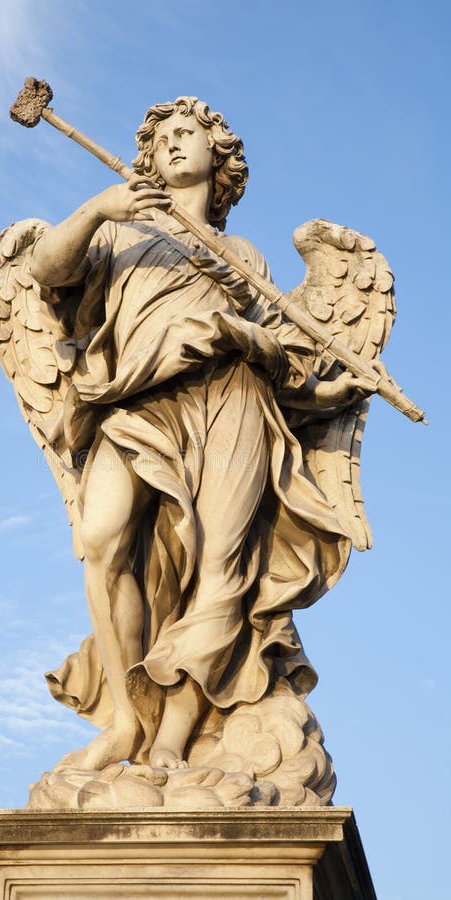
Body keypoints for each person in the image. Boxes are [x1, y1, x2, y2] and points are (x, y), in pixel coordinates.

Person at [29, 97, 367, 772]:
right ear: (148, 158)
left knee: (220, 571)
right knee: (102, 539)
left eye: (188, 134)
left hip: (232, 402)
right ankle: (126, 723)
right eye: (163, 138)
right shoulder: (121, 232)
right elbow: (46, 269)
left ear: (219, 156)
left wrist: (320, 391)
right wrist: (99, 209)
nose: (174, 144)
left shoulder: (242, 255)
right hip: (136, 402)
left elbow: (284, 354)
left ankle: (173, 736)